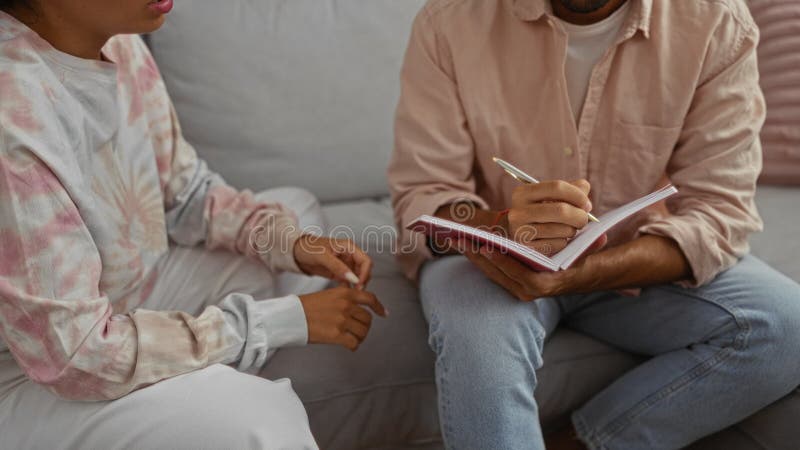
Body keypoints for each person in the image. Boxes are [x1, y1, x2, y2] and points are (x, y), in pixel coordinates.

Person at [388, 0, 800, 449]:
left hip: (636, 258)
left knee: (787, 328)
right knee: (481, 345)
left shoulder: (715, 21)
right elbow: (425, 194)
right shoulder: (450, 20)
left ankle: (587, 442)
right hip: (492, 261)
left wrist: (584, 273)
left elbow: (720, 213)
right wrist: (497, 227)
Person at [0, 0, 387, 448]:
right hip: (37, 372)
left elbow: (187, 193)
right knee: (260, 421)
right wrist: (273, 323)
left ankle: (181, 377)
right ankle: (199, 395)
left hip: (124, 301)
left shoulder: (118, 41)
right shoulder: (14, 117)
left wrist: (290, 244)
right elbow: (76, 355)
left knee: (292, 216)